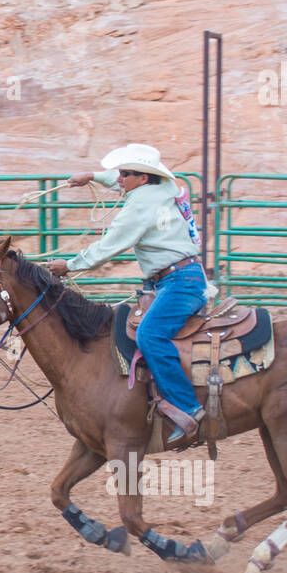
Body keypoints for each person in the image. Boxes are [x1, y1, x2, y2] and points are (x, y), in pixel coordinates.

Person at [47, 143, 209, 448]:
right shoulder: (162, 187)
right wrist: (94, 176)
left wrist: (69, 266)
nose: (118, 179)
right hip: (178, 278)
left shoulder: (140, 206)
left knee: (150, 335)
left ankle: (189, 409)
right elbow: (118, 179)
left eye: (125, 174)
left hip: (179, 283)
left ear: (142, 178)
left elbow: (110, 245)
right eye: (119, 173)